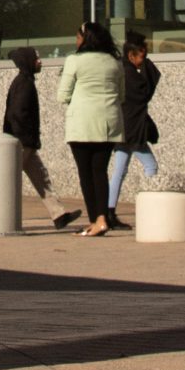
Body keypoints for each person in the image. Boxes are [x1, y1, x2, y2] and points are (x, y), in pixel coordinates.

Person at [60, 21, 128, 237]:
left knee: (85, 172)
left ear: (85, 38)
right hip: (109, 122)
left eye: (78, 36)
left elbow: (62, 95)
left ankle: (94, 219)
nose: (76, 39)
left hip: (81, 122)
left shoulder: (74, 61)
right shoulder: (115, 63)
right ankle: (102, 218)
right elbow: (122, 95)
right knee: (100, 171)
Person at [0, 48, 79, 230]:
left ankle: (58, 215)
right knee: (8, 179)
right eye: (36, 59)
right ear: (29, 61)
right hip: (22, 141)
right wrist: (24, 139)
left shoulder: (25, 82)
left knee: (40, 176)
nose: (40, 62)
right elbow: (18, 114)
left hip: (26, 141)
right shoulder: (24, 84)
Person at [108, 33, 162, 219]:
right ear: (131, 56)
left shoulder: (121, 71)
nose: (143, 60)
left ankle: (109, 210)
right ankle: (152, 206)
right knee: (151, 166)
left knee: (119, 171)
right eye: (142, 56)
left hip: (123, 130)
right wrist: (148, 67)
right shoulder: (131, 75)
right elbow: (144, 92)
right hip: (133, 131)